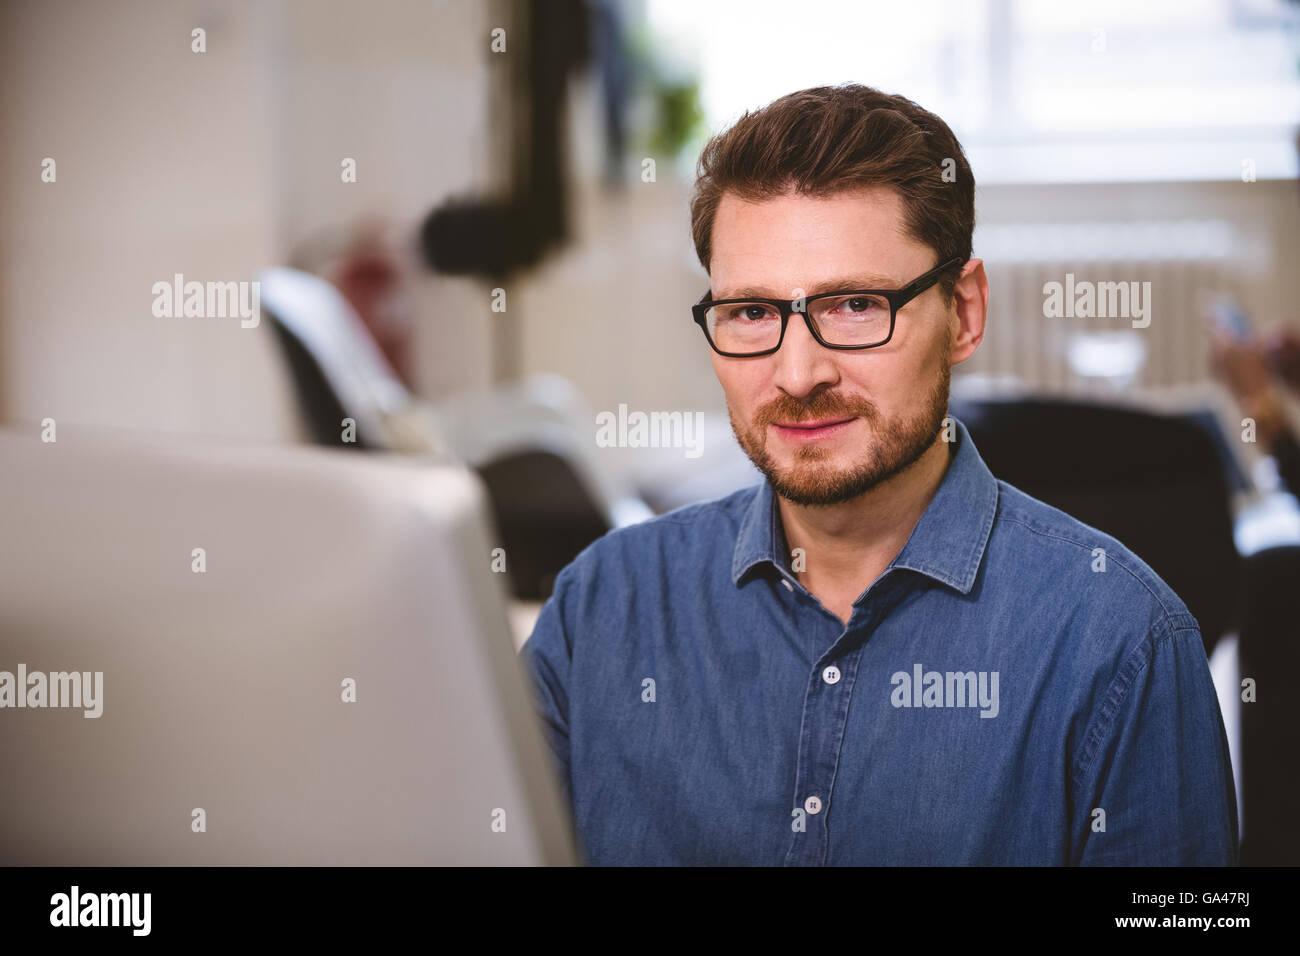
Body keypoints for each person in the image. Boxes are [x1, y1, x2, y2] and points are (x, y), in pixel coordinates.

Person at [522, 84, 1238, 865]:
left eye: (856, 305)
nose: (797, 374)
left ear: (963, 313)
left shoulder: (1121, 642)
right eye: (752, 313)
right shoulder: (598, 610)